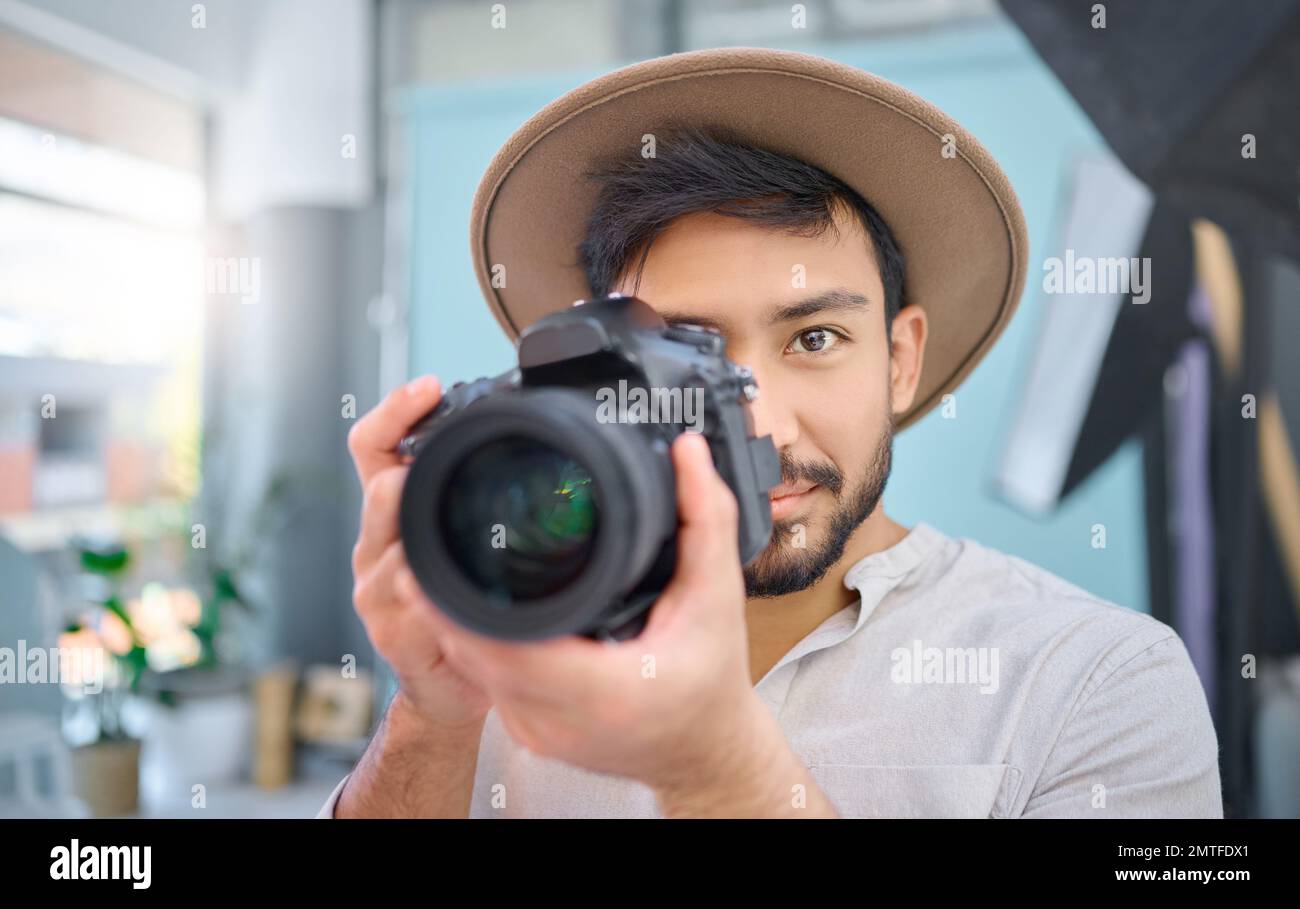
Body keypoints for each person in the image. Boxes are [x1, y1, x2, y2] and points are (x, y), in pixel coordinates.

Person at [321, 48, 1221, 818]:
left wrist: (716, 771)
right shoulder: (520, 606)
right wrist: (434, 711)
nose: (760, 421)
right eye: (689, 356)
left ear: (900, 358)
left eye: (816, 339)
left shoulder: (1097, 677)